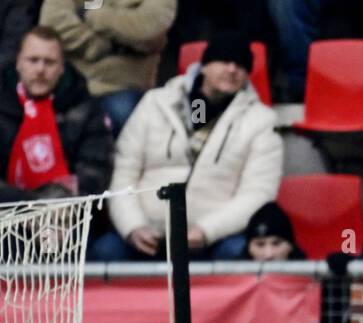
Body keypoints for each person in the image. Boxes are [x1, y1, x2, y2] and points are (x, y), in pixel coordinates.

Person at [98, 30, 282, 260]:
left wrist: (206, 231)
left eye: (241, 65)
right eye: (224, 61)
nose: (233, 69)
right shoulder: (156, 103)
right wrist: (133, 227)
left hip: (211, 240)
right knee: (105, 250)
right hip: (148, 235)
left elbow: (258, 194)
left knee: (236, 251)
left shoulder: (260, 121)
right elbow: (124, 174)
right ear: (204, 66)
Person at [0, 25, 111, 203]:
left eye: (49, 62)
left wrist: (63, 209)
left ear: (61, 67)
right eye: (33, 60)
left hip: (69, 217)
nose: (40, 69)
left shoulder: (85, 107)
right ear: (18, 62)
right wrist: (30, 207)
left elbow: (94, 172)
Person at [39, 0, 176, 134]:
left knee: (121, 116)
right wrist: (102, 45)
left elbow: (148, 27)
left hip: (121, 87)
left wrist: (93, 15)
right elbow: (52, 25)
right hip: (70, 84)